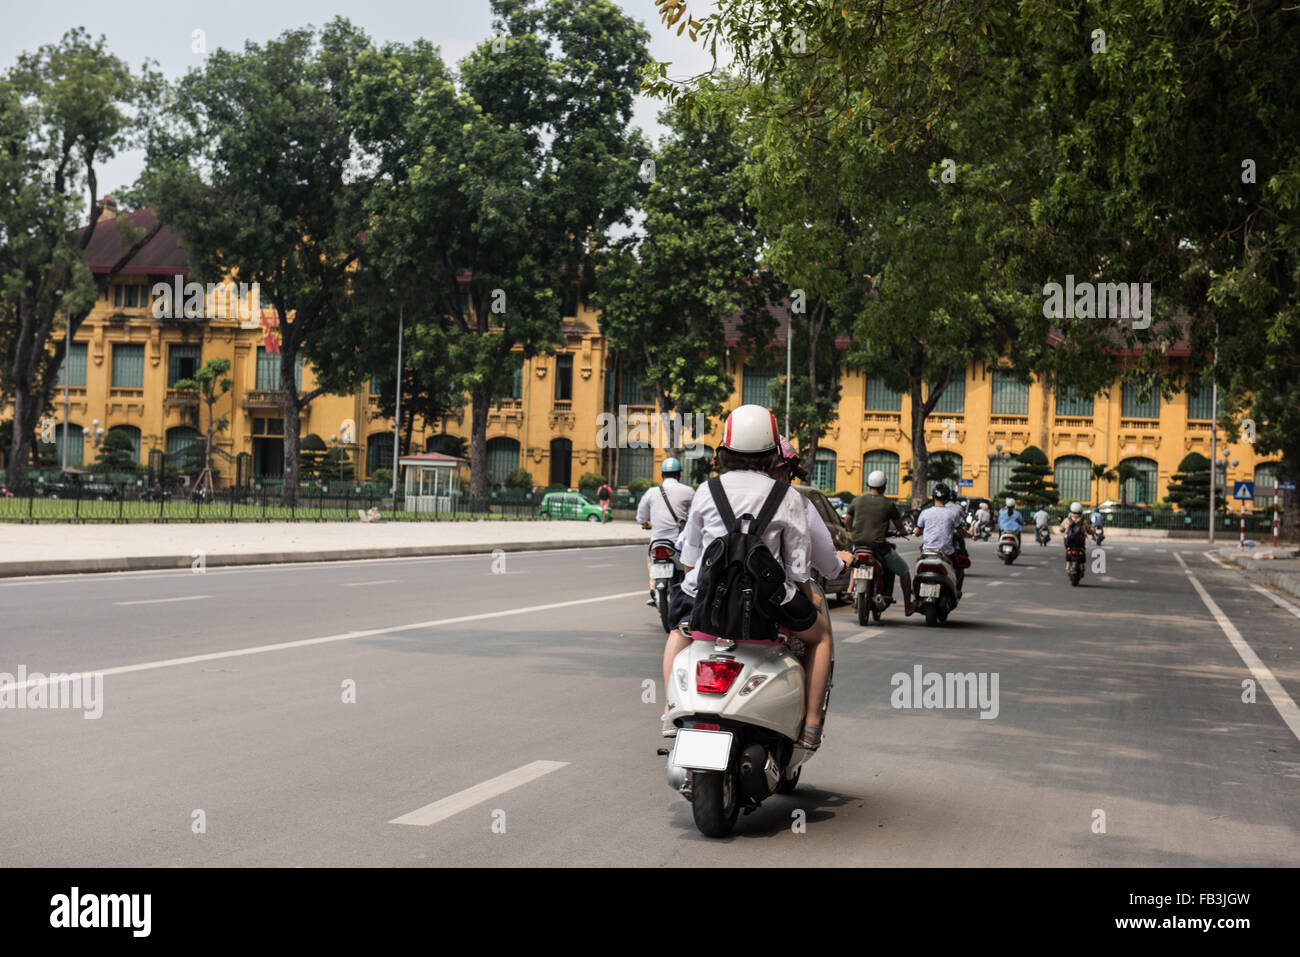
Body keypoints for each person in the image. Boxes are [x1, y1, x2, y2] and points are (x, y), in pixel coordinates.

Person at [660, 405, 832, 750]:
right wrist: (809, 597)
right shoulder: (788, 497)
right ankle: (811, 725)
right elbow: (799, 569)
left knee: (679, 632)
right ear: (772, 455)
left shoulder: (708, 491)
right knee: (821, 637)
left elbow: (691, 560)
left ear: (723, 452)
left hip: (708, 602)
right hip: (767, 603)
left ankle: (669, 710)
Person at [771, 436, 854, 586]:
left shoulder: (715, 493)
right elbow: (826, 562)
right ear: (784, 470)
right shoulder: (796, 502)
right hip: (775, 596)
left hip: (720, 599)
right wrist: (840, 564)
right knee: (815, 606)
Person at [844, 469, 916, 615]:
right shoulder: (888, 504)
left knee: (853, 561)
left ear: (868, 485)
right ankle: (908, 606)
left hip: (858, 544)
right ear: (884, 486)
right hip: (879, 547)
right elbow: (900, 527)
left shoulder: (856, 501)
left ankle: (850, 589)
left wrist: (852, 531)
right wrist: (901, 532)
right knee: (904, 570)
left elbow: (847, 522)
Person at [636, 457, 694, 606]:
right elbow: (696, 514)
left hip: (658, 541)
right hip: (679, 542)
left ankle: (653, 590)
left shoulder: (651, 492)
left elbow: (641, 516)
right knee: (690, 564)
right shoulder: (688, 491)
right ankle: (691, 593)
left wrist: (646, 523)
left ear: (662, 474)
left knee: (651, 560)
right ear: (680, 474)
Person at [914, 482, 968, 592]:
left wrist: (917, 531)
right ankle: (955, 591)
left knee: (917, 570)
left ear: (933, 497)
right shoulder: (953, 514)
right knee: (960, 569)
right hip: (946, 553)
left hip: (927, 552)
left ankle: (914, 589)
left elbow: (917, 532)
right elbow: (961, 532)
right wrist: (970, 534)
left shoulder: (925, 513)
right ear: (947, 498)